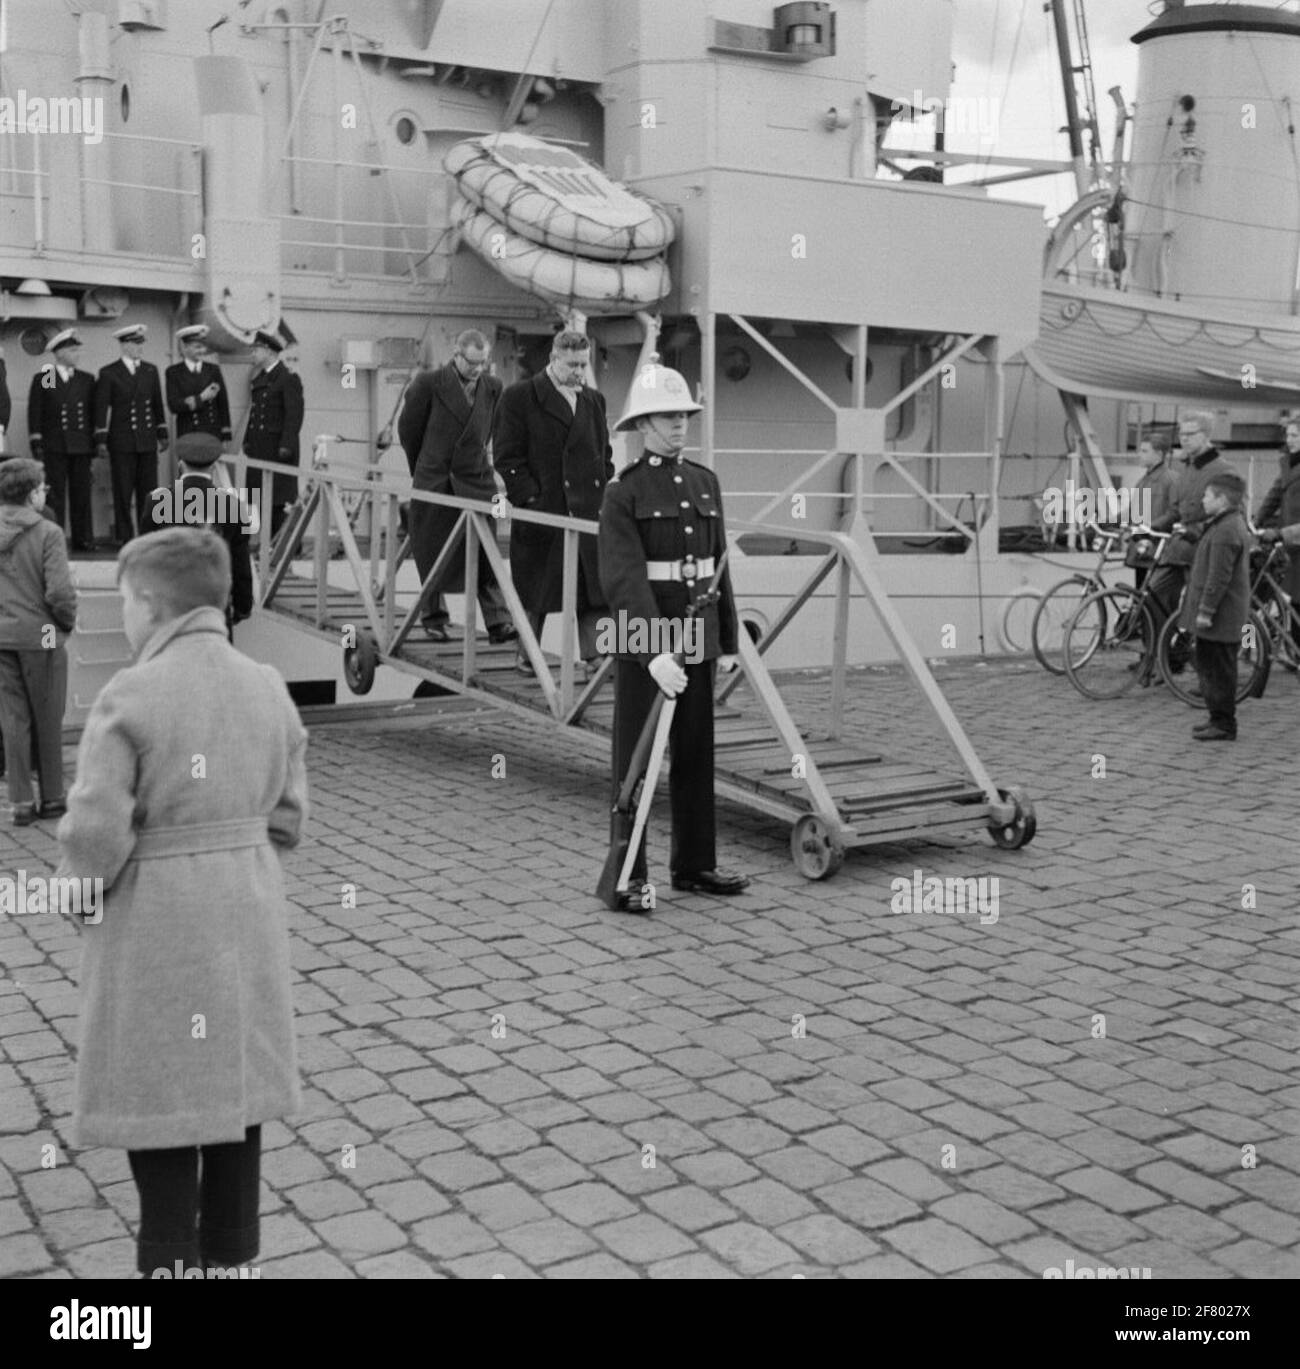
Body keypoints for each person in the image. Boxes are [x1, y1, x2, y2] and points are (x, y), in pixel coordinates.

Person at [55, 527, 307, 1278]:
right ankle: (233, 1263)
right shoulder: (265, 681)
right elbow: (290, 816)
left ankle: (164, 1264)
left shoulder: (130, 692)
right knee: (236, 1096)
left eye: (126, 603)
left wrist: (77, 891)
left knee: (161, 1097)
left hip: (158, 921)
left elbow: (96, 832)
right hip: (248, 910)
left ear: (149, 604)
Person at [598, 359, 750, 902]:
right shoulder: (624, 492)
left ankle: (694, 864)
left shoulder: (705, 481)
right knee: (636, 758)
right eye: (667, 416)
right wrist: (653, 652)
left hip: (698, 640)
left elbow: (717, 567)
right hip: (649, 644)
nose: (680, 424)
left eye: (684, 414)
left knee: (694, 751)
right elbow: (623, 582)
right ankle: (630, 874)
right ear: (643, 426)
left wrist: (727, 642)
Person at [495, 330, 611, 675]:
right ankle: (527, 654)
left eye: (583, 364)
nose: (579, 371)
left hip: (586, 509)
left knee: (593, 588)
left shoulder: (594, 400)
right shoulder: (519, 398)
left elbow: (603, 453)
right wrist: (531, 499)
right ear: (553, 360)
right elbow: (507, 456)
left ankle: (597, 654)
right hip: (544, 510)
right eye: (573, 365)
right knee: (537, 589)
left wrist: (602, 487)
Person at [397, 330, 517, 644]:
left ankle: (497, 622)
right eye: (472, 362)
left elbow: (492, 431)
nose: (477, 369)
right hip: (437, 479)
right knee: (431, 551)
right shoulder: (428, 384)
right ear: (457, 354)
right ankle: (434, 618)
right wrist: (426, 469)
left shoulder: (493, 387)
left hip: (476, 480)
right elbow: (409, 432)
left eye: (483, 363)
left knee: (486, 551)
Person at [0, 458, 76, 824]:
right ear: (31, 494)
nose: (44, 492)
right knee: (48, 716)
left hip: (3, 634)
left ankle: (20, 803)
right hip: (42, 633)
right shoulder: (48, 533)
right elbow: (60, 592)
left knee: (13, 719)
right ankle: (52, 798)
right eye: (42, 487)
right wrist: (66, 623)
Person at [146, 432, 253, 639]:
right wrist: (242, 606)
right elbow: (240, 563)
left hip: (171, 611)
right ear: (213, 468)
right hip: (214, 611)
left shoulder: (157, 501)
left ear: (180, 464)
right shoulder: (233, 505)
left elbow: (146, 560)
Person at [1145, 410, 1231, 652]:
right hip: (1179, 549)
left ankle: (1195, 661)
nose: (1184, 439)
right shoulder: (1188, 469)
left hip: (1204, 549)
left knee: (1199, 609)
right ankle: (1160, 656)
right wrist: (1151, 527)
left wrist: (1200, 529)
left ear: (1205, 435)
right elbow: (1177, 510)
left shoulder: (1222, 469)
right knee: (1152, 595)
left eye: (1190, 434)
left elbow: (1230, 513)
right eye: (1181, 434)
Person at [1182, 471, 1251, 741]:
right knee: (1210, 665)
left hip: (1221, 614)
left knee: (1219, 669)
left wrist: (1206, 611)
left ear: (1222, 499)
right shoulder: (1223, 524)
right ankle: (1216, 717)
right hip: (1219, 614)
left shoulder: (1226, 530)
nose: (1203, 499)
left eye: (1208, 495)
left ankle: (1223, 723)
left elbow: (1219, 576)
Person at [94, 323, 170, 545]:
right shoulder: (109, 373)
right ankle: (124, 537)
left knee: (150, 492)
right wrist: (101, 438)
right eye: (136, 343)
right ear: (124, 345)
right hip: (122, 441)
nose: (140, 347)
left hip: (146, 441)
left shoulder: (150, 370)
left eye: (141, 343)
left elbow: (157, 403)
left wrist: (162, 432)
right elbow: (101, 408)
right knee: (123, 493)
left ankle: (149, 535)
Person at [28, 328, 97, 551]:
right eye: (73, 350)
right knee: (55, 495)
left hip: (81, 445)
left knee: (82, 495)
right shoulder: (48, 375)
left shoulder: (86, 379)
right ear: (59, 354)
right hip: (55, 444)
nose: (77, 354)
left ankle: (83, 538)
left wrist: (95, 444)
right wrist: (36, 441)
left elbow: (92, 414)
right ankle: (54, 538)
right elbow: (39, 409)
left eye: (78, 350)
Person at [242, 329, 303, 540]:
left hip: (277, 451)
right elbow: (255, 413)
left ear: (268, 351)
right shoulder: (261, 379)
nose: (253, 354)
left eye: (256, 350)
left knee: (278, 502)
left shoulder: (287, 379)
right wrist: (247, 441)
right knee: (253, 497)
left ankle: (278, 550)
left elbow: (294, 416)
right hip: (259, 449)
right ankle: (251, 544)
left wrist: (287, 445)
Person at [1253, 419, 1300, 651]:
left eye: (1295, 435)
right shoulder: (1287, 463)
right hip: (1288, 543)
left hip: (1291, 537)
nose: (1289, 440)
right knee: (1272, 597)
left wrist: (1280, 533)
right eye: (1289, 435)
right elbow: (1275, 493)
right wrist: (1257, 519)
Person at [165, 324, 232, 443]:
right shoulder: (173, 372)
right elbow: (173, 405)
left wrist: (226, 434)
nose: (202, 351)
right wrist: (201, 398)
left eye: (203, 347)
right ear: (185, 347)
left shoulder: (213, 370)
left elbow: (222, 403)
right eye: (197, 347)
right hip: (188, 434)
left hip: (212, 433)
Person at [1132, 430, 1179, 589]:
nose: (1140, 454)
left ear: (1159, 454)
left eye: (1145, 451)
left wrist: (1151, 526)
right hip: (1143, 546)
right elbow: (1133, 511)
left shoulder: (1170, 479)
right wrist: (1106, 521)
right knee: (1140, 592)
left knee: (1152, 594)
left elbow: (1175, 512)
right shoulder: (1143, 481)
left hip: (1159, 548)